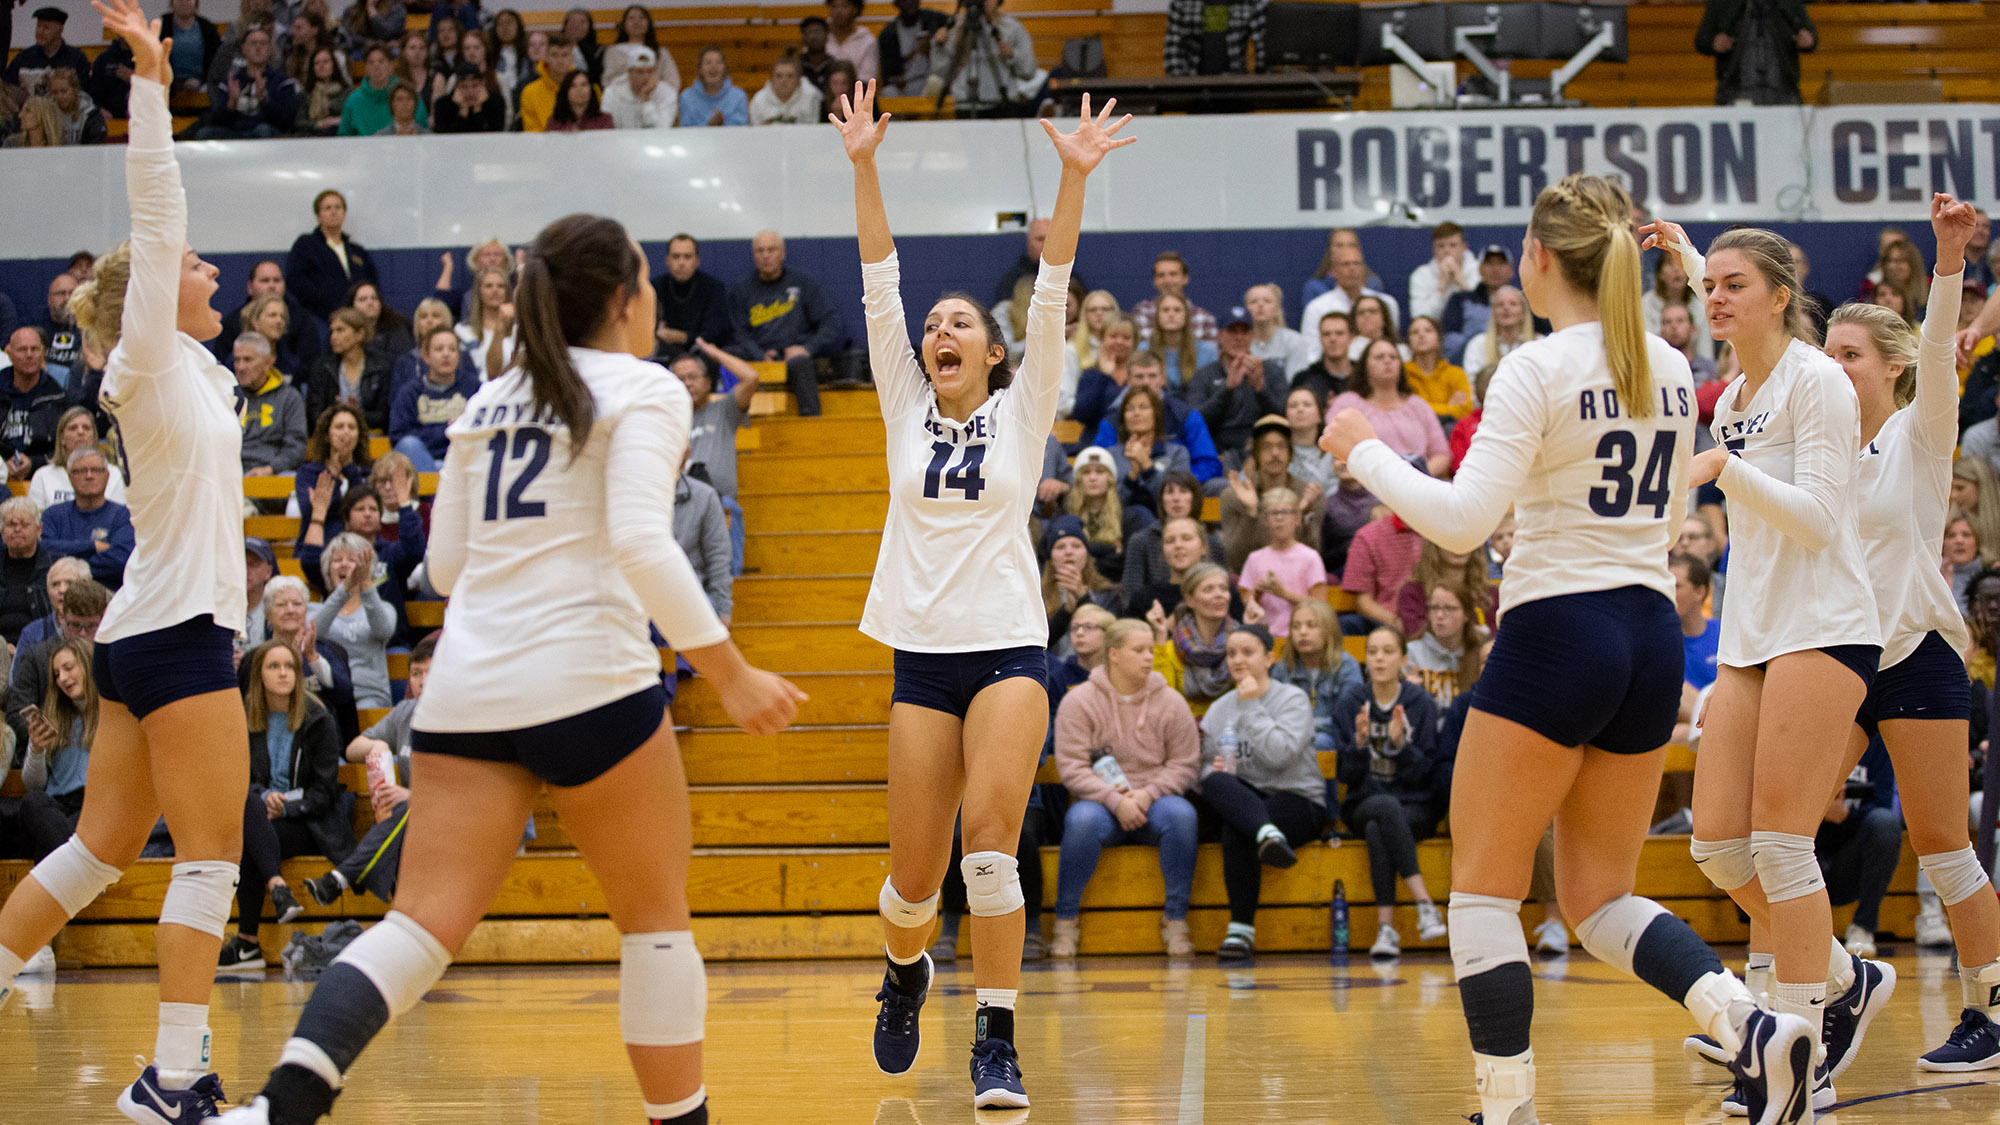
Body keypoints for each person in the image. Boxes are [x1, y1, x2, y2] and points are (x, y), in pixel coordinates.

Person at [224, 203, 808, 1125]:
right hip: (589, 677)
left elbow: (444, 566)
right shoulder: (646, 387)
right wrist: (731, 673)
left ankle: (276, 1108)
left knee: (417, 928)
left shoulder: (491, 395)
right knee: (655, 927)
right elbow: (644, 546)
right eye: (648, 282)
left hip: (469, 686)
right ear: (622, 299)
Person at [1325, 173, 1810, 1125]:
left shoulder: (1536, 366)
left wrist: (1360, 450)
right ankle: (1751, 1023)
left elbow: (1461, 525)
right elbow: (1672, 513)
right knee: (1597, 900)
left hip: (1558, 632)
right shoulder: (1669, 363)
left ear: (1542, 259)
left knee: (1482, 893)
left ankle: (1506, 1107)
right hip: (1646, 632)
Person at [835, 81, 1126, 1110]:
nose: (938, 330)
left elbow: (1050, 287)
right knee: (912, 887)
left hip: (1007, 648)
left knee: (988, 854)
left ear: (993, 353)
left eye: (959, 323)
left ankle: (995, 1039)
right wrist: (863, 165)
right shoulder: (902, 406)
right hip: (923, 655)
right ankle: (904, 971)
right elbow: (879, 279)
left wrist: (1072, 176)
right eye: (931, 326)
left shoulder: (1021, 409)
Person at [0, 9, 254, 1118]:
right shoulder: (147, 357)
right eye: (192, 264)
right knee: (210, 863)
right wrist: (151, 82)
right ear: (144, 298)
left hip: (145, 635)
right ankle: (176, 1080)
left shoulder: (204, 372)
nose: (205, 264)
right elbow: (157, 215)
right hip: (181, 636)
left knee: (102, 852)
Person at [1644, 214, 1895, 1112]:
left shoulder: (1818, 379)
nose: (1713, 296)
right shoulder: (1733, 397)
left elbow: (1824, 519)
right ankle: (1844, 976)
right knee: (1716, 844)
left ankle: (1799, 1063)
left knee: (1784, 843)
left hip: (1825, 624)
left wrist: (1726, 471)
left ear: (1782, 296)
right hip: (1752, 632)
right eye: (1706, 284)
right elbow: (1744, 490)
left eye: (1733, 284)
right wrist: (1680, 251)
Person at [1806, 201, 2000, 1072]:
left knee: (1944, 847)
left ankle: (1988, 1013)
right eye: (1829, 352)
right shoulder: (1820, 450)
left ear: (1887, 364)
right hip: (1839, 655)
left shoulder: (1921, 432)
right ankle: (1807, 1005)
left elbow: (1937, 347)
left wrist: (1949, 257)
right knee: (1773, 835)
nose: (1834, 365)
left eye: (1850, 354)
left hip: (1918, 651)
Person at [1050, 616, 1201, 956]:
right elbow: (1071, 767)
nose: (1149, 657)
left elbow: (1186, 763)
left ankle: (1175, 920)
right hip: (1101, 804)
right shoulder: (1080, 701)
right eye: (1139, 650)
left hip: (1155, 801)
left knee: (1182, 815)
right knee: (1081, 821)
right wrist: (1115, 801)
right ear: (1114, 654)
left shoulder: (1171, 700)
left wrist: (1148, 793)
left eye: (1151, 649)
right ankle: (1066, 921)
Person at [218, 639, 349, 972]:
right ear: (259, 676)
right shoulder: (244, 717)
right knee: (248, 804)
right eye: (273, 667)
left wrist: (286, 808)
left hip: (308, 821)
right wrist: (265, 797)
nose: (283, 674)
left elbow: (325, 793)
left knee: (250, 833)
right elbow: (238, 778)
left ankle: (247, 943)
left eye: (289, 666)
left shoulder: (319, 718)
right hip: (260, 817)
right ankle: (277, 887)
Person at [1197, 623, 1324, 961]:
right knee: (1214, 783)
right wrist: (1219, 769)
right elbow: (1208, 767)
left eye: (1247, 653)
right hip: (1247, 800)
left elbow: (1280, 756)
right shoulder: (1219, 709)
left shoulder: (1291, 699)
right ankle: (1266, 833)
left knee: (1238, 826)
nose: (1237, 660)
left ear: (1269, 658)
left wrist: (1252, 707)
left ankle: (1240, 930)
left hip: (1298, 799)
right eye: (1231, 653)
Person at [1332, 625, 1446, 958]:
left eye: (1387, 651)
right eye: (1373, 652)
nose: (1379, 658)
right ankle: (1424, 902)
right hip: (1362, 800)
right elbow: (1345, 775)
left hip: (1414, 804)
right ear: (1365, 660)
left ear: (1403, 659)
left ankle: (1386, 929)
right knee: (1380, 807)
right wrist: (1360, 744)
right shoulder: (1351, 702)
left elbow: (1424, 774)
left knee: (1378, 827)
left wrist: (1400, 744)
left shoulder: (1420, 703)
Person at [303, 635, 433, 907]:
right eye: (415, 673)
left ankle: (344, 877)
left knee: (406, 809)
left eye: (430, 672)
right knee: (401, 816)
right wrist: (377, 745)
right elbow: (352, 750)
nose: (421, 681)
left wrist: (411, 796)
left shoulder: (460, 720)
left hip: (455, 819)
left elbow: (462, 794)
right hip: (414, 825)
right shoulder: (406, 712)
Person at [728, 231, 842, 418]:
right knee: (728, 354)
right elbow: (738, 332)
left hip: (794, 357)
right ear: (754, 255)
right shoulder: (741, 290)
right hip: (757, 356)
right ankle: (734, 424)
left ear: (783, 253)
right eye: (760, 251)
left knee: (801, 362)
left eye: (771, 250)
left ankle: (811, 422)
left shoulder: (802, 282)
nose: (766, 255)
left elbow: (831, 322)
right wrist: (759, 354)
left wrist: (806, 349)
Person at [676, 340, 759, 574]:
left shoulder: (723, 411)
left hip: (721, 505)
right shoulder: (667, 418)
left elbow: (751, 378)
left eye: (692, 376)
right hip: (679, 509)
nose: (687, 383)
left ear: (707, 382)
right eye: (680, 379)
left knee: (725, 580)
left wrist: (711, 351)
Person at [1330, 339, 1450, 478]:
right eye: (1379, 357)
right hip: (1367, 486)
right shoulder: (1347, 404)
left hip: (1418, 484)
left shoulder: (1418, 405)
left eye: (1393, 357)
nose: (1387, 361)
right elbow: (1337, 452)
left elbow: (1442, 455)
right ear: (1365, 365)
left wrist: (1413, 478)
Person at [1219, 416, 1323, 572]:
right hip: (1250, 578)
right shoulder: (1233, 496)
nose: (1275, 453)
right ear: (1256, 453)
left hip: (1297, 577)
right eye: (1266, 447)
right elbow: (1236, 561)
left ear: (1290, 452)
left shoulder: (1310, 495)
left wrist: (1300, 513)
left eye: (1281, 446)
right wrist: (1251, 513)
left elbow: (1314, 558)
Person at [22, 637, 97, 827]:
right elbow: (33, 785)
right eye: (56, 674)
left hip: (96, 804)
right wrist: (37, 750)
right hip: (59, 805)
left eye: (69, 668)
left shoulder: (114, 716)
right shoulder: (52, 718)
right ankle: (68, 852)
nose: (62, 678)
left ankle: (62, 853)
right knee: (32, 802)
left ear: (87, 664)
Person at [1270, 598, 1361, 753]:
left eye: (1311, 626)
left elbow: (1346, 719)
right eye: (1296, 626)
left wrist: (1304, 727)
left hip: (1332, 740)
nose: (1302, 632)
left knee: (1319, 742)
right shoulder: (1282, 667)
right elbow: (1271, 714)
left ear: (1329, 630)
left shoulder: (1347, 666)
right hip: (1289, 739)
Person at [39, 448, 134, 590]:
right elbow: (45, 553)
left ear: (107, 476)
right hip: (61, 591)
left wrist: (71, 568)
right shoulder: (52, 515)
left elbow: (120, 560)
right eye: (81, 471)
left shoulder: (124, 515)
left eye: (96, 470)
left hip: (107, 595)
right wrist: (92, 546)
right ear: (70, 477)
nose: (89, 476)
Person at [1237, 487, 1325, 638]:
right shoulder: (1254, 558)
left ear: (1297, 518)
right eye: (1274, 513)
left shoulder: (1310, 557)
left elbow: (1321, 606)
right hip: (1264, 636)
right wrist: (1258, 593)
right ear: (1265, 519)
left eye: (1286, 512)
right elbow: (1247, 605)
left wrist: (1283, 593)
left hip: (1300, 636)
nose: (1279, 518)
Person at [388, 326, 479, 473]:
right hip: (423, 461)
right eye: (439, 349)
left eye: (452, 349)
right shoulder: (410, 392)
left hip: (464, 460)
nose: (446, 354)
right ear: (426, 356)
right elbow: (398, 437)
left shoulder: (474, 388)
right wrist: (447, 430)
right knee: (409, 444)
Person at [926, 0, 1036, 117]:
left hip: (1002, 105)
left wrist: (1012, 54)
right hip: (965, 105)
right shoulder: (955, 27)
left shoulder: (1011, 27)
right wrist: (939, 47)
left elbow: (1029, 71)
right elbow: (941, 72)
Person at [1696, 0, 1816, 105]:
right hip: (1737, 92)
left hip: (1783, 91)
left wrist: (1807, 40)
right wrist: (1714, 42)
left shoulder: (1790, 2)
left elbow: (1811, 37)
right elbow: (1702, 39)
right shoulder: (1721, 2)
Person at [286, 189, 378, 323]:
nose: (333, 212)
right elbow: (296, 281)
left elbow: (372, 282)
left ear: (344, 214)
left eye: (338, 207)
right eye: (328, 208)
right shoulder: (306, 245)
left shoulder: (357, 251)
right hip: (321, 318)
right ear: (318, 216)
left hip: (358, 319)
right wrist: (324, 299)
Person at [1299, 243, 1401, 362]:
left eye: (1357, 263)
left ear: (1364, 268)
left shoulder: (1387, 303)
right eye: (1345, 264)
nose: (1352, 269)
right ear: (1333, 271)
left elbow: (1392, 341)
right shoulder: (1316, 308)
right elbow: (1311, 354)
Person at [195, 23, 296, 139]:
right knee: (205, 134)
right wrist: (231, 104)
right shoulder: (230, 82)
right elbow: (215, 120)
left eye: (263, 43)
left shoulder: (283, 83)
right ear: (244, 49)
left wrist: (265, 101)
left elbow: (287, 122)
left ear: (270, 49)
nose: (258, 47)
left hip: (266, 136)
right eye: (253, 43)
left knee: (263, 130)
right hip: (235, 134)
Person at [233, 332, 308, 476]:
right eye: (237, 360)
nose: (240, 367)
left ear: (267, 363)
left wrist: (270, 469)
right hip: (233, 472)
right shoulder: (229, 397)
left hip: (273, 472)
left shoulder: (289, 397)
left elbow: (296, 448)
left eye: (248, 360)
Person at [1405, 582, 1485, 716]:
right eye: (1434, 607)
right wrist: (1406, 693)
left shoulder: (1481, 654)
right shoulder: (1411, 652)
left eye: (1449, 608)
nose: (1440, 615)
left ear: (1466, 614)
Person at [28, 406, 126, 511]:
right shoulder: (43, 476)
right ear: (62, 439)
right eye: (73, 428)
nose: (80, 432)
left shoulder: (113, 474)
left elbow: (117, 517)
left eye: (86, 428)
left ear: (94, 436)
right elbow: (36, 522)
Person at [1395, 538, 1495, 640]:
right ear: (1434, 545)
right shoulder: (1413, 593)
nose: (1459, 546)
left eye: (1465, 539)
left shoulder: (1491, 594)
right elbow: (1417, 636)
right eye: (1451, 540)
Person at [0, 327, 69, 476]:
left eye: (35, 349)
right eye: (22, 350)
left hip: (44, 475)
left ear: (43, 353)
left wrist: (34, 463)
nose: (29, 355)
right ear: (9, 354)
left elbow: (65, 448)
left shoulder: (57, 396)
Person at [1442, 244, 1521, 364]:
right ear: (1480, 270)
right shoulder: (1460, 300)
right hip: (1473, 363)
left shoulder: (1524, 302)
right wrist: (1479, 346)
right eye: (1489, 264)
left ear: (1511, 271)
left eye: (1501, 263)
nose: (1495, 269)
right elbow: (1450, 341)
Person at [1644, 252, 1715, 365]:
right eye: (1669, 264)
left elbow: (1705, 353)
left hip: (1695, 370)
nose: (1676, 270)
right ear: (1660, 274)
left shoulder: (1701, 307)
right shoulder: (1646, 304)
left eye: (1681, 265)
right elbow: (1646, 347)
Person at [1462, 285, 1538, 390]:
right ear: (1493, 312)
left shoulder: (1539, 343)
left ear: (1523, 312)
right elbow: (1473, 384)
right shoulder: (1478, 344)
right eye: (1500, 305)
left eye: (1513, 304)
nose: (1506, 308)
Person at [4, 6, 90, 96]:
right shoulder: (23, 57)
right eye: (38, 26)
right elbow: (8, 88)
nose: (40, 32)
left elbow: (83, 94)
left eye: (46, 28)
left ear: (60, 31)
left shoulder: (76, 58)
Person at [1404, 317, 1474, 426]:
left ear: (1439, 339)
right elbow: (1406, 411)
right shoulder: (1401, 374)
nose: (1421, 335)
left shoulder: (1456, 373)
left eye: (1428, 330)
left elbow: (1464, 410)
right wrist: (1449, 408)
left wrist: (1423, 408)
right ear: (1408, 342)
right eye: (1415, 332)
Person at [1407, 222, 1481, 323]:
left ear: (1464, 247)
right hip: (1435, 332)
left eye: (1453, 245)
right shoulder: (1420, 275)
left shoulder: (1479, 271)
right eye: (1441, 246)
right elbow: (1419, 317)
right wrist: (1441, 287)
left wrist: (1461, 281)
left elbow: (1483, 314)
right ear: (1434, 250)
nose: (1447, 251)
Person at [1674, 552, 1722, 695]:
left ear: (1700, 592)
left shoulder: (1723, 633)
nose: (1668, 591)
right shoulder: (1655, 642)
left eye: (1676, 586)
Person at [602, 5, 680, 91]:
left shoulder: (661, 52)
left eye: (642, 18)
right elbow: (608, 82)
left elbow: (673, 81)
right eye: (631, 18)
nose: (636, 22)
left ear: (649, 24)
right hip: (622, 101)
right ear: (624, 24)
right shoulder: (613, 52)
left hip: (655, 99)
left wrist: (652, 91)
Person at [879, 0, 947, 95]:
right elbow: (887, 76)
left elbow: (952, 22)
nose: (910, 3)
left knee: (935, 83)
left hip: (928, 78)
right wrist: (897, 79)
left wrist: (935, 42)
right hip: (905, 83)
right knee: (888, 92)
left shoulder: (931, 18)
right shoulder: (888, 34)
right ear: (897, 3)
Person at [602, 44, 677, 128]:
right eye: (640, 72)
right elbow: (608, 128)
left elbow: (662, 129)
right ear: (630, 72)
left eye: (650, 71)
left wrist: (646, 100)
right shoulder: (612, 93)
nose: (646, 77)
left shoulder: (667, 93)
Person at [678, 45, 749, 127]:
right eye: (708, 63)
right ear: (700, 69)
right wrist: (708, 126)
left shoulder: (738, 96)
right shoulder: (687, 97)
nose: (713, 66)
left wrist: (723, 125)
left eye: (718, 62)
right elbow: (685, 132)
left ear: (725, 68)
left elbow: (742, 130)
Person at [1292, 311, 1356, 402]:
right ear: (1320, 338)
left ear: (1351, 338)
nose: (1333, 339)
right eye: (1327, 334)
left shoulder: (1365, 377)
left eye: (1339, 333)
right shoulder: (1305, 380)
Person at [1661, 303, 1718, 384]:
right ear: (1661, 332)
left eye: (1680, 321)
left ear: (1693, 329)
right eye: (1668, 322)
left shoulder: (1711, 370)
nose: (1673, 326)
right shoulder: (1656, 370)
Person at [825, 0, 878, 81]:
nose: (838, 11)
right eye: (834, 6)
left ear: (855, 9)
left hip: (856, 91)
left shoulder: (867, 40)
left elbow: (867, 78)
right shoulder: (818, 35)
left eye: (844, 6)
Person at [546, 68, 612, 131]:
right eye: (573, 85)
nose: (579, 90)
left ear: (591, 89)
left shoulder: (605, 120)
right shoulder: (554, 123)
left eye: (584, 85)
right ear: (565, 91)